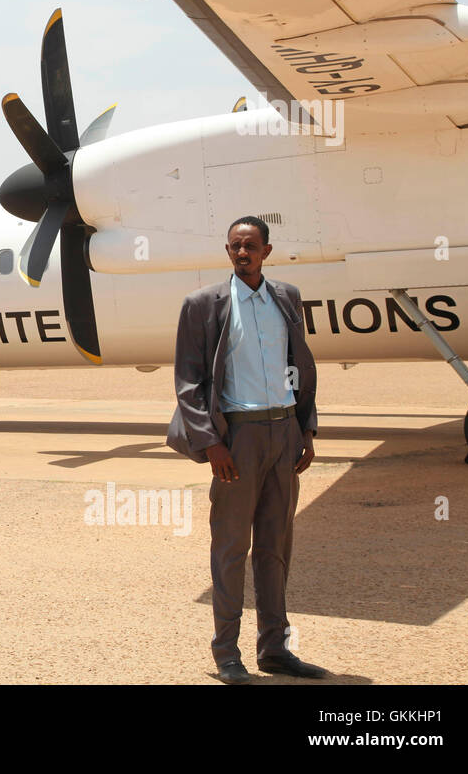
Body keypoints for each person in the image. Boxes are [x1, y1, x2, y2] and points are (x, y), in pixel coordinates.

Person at [167, 215, 326, 684]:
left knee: (275, 548)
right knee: (232, 548)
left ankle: (275, 650)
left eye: (251, 246)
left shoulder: (287, 299)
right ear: (228, 251)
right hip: (238, 440)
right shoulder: (202, 305)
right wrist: (212, 442)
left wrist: (305, 431)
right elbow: (188, 381)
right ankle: (226, 655)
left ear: (267, 251)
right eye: (236, 246)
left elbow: (299, 366)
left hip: (284, 435)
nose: (243, 253)